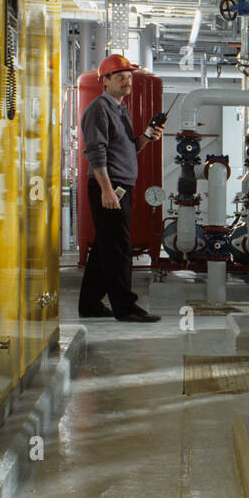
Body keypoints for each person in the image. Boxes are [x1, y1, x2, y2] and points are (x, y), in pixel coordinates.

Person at [79, 53, 164, 321]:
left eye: (129, 77)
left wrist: (148, 137)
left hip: (121, 185)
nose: (128, 82)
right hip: (109, 186)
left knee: (106, 247)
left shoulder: (120, 109)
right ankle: (125, 308)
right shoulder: (98, 109)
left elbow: (129, 148)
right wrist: (105, 189)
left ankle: (90, 304)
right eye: (121, 77)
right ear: (105, 81)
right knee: (119, 248)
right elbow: (95, 152)